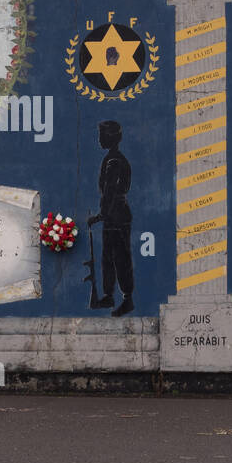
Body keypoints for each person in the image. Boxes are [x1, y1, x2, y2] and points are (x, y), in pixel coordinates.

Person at [88, 120, 134, 316]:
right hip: (113, 216)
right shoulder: (112, 158)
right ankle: (108, 296)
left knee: (120, 258)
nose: (99, 139)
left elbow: (110, 192)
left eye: (102, 135)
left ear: (111, 137)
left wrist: (100, 215)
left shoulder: (114, 161)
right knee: (108, 257)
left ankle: (127, 300)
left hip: (117, 216)